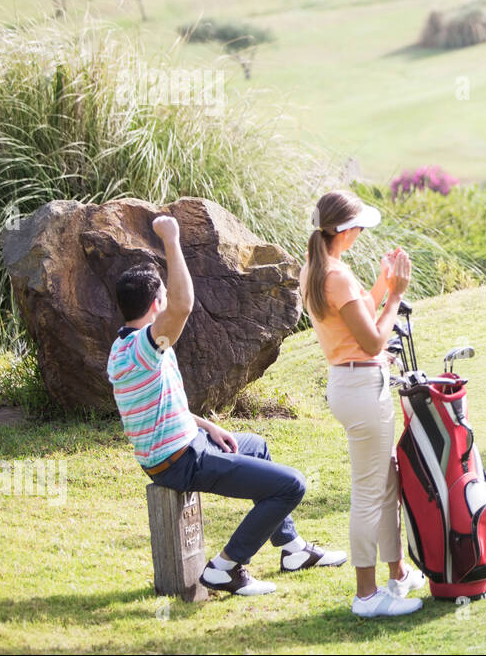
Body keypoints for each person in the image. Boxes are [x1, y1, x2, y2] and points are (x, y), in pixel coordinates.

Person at [108, 214, 346, 596]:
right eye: (163, 300)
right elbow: (183, 305)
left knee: (257, 446)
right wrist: (171, 238)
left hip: (189, 443)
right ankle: (226, 568)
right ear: (156, 305)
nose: (168, 304)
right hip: (179, 461)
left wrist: (206, 425)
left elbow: (160, 408)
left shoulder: (128, 347)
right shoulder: (142, 348)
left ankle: (292, 550)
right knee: (291, 486)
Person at [301, 190, 425, 617]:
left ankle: (398, 574)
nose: (361, 232)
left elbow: (356, 319)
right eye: (359, 226)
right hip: (361, 389)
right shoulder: (335, 275)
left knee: (387, 481)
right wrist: (396, 295)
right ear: (345, 231)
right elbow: (374, 338)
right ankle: (367, 596)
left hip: (351, 384)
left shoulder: (319, 271)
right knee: (370, 493)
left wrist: (380, 285)